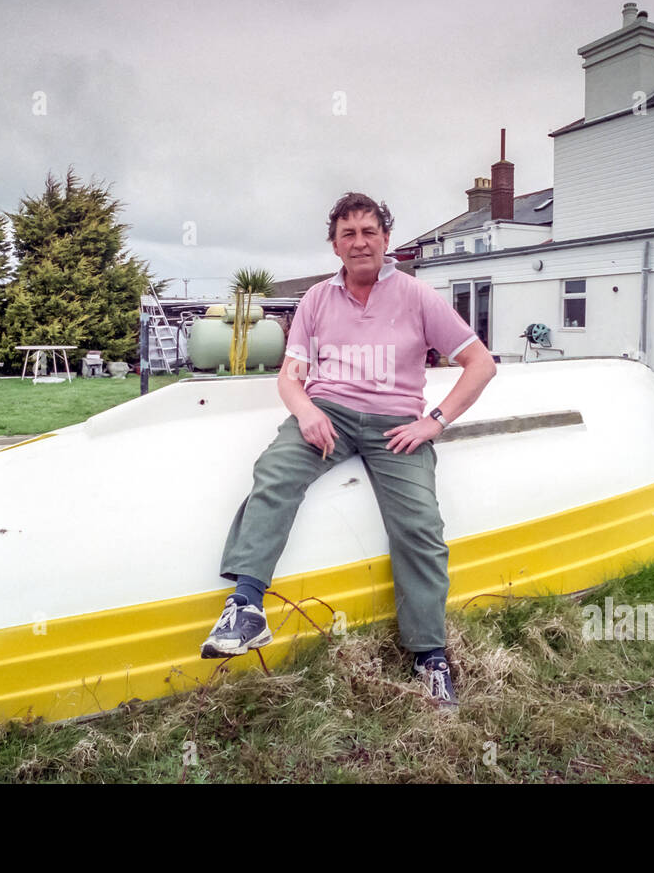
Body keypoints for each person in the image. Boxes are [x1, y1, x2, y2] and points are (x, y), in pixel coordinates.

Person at [200, 192, 497, 706]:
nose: (359, 242)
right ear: (335, 245)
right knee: (274, 473)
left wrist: (433, 422)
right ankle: (245, 606)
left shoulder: (418, 296)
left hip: (396, 425)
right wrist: (307, 410)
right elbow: (290, 377)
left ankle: (430, 656)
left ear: (386, 239)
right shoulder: (316, 299)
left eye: (369, 231)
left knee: (421, 527)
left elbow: (481, 363)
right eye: (348, 234)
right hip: (328, 415)